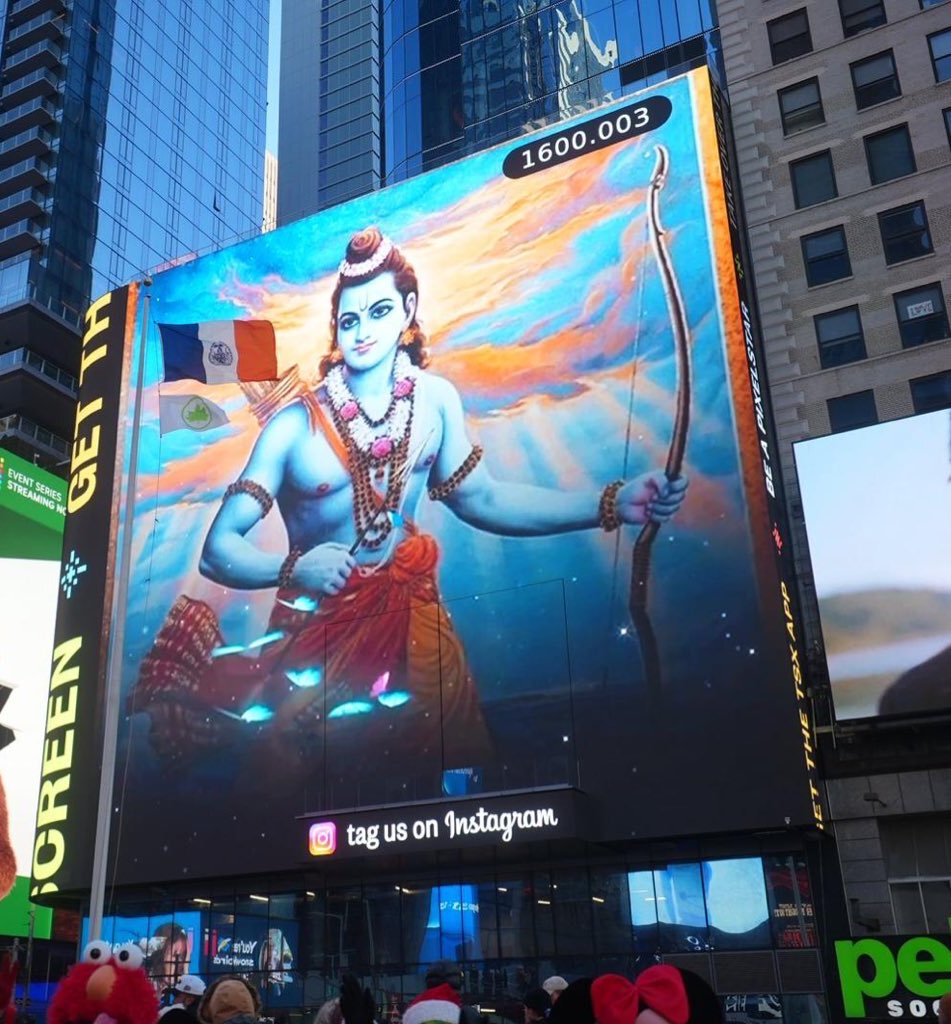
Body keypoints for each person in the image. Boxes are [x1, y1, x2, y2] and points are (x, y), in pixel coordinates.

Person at [134, 227, 688, 775]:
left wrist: (612, 503)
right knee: (283, 770)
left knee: (454, 761)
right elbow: (216, 550)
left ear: (408, 309)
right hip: (318, 629)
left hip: (413, 614)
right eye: (349, 320)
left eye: (378, 312)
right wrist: (294, 567)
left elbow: (483, 498)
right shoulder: (293, 427)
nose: (363, 332)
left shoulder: (435, 400)